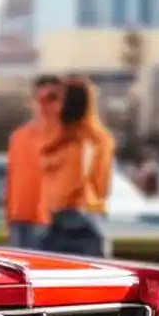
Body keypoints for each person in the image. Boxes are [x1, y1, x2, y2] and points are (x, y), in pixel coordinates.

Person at [37, 76, 115, 256]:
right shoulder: (99, 138)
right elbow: (103, 185)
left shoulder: (72, 143)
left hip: (70, 218)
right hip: (90, 214)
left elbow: (69, 184)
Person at [3, 76, 61, 249]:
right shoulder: (19, 137)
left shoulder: (66, 138)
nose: (43, 105)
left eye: (50, 99)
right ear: (31, 102)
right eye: (39, 99)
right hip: (20, 220)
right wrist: (8, 219)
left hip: (52, 222)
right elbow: (11, 180)